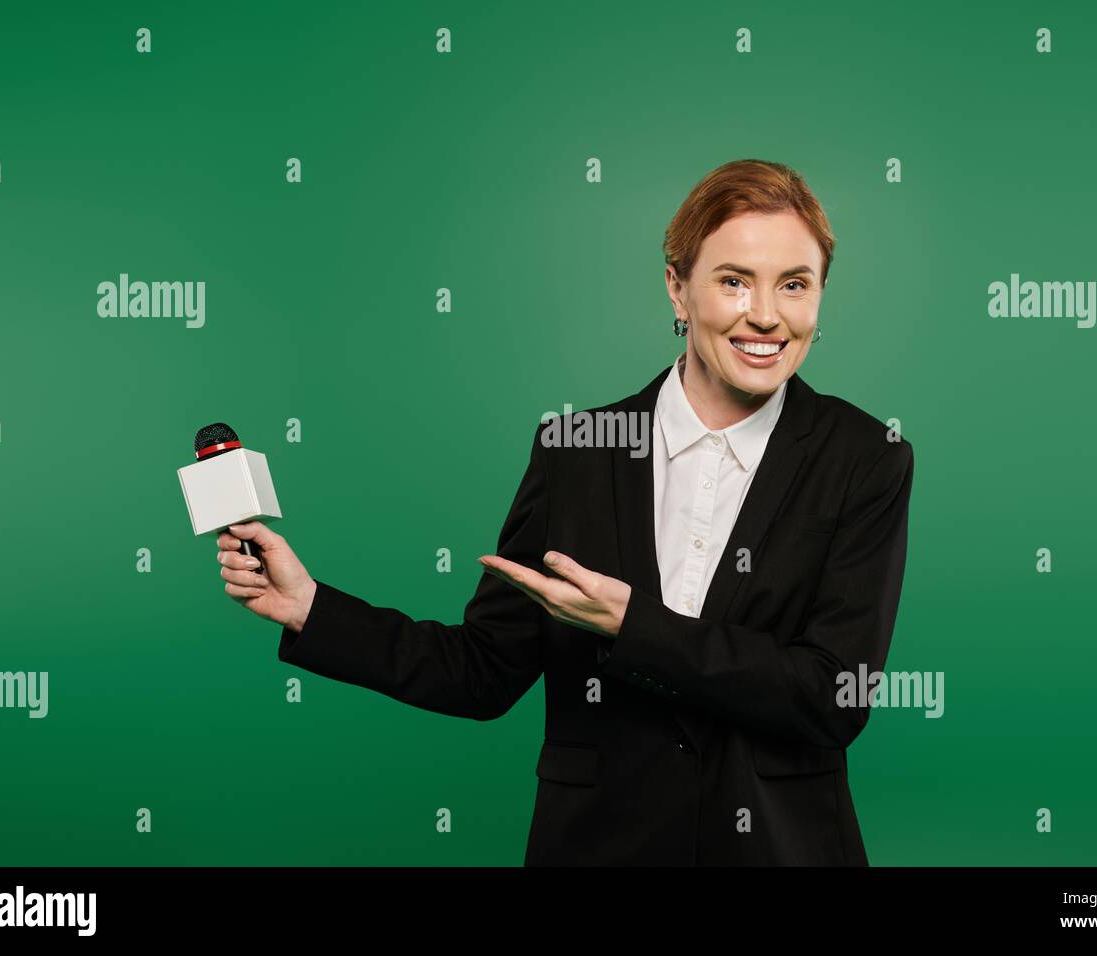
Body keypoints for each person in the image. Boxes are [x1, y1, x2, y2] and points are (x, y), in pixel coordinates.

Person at [217, 158, 915, 865]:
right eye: (733, 280)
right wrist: (311, 607)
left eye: (794, 285)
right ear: (677, 288)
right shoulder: (575, 450)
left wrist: (632, 625)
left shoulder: (866, 458)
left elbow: (832, 696)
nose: (765, 314)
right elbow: (482, 671)